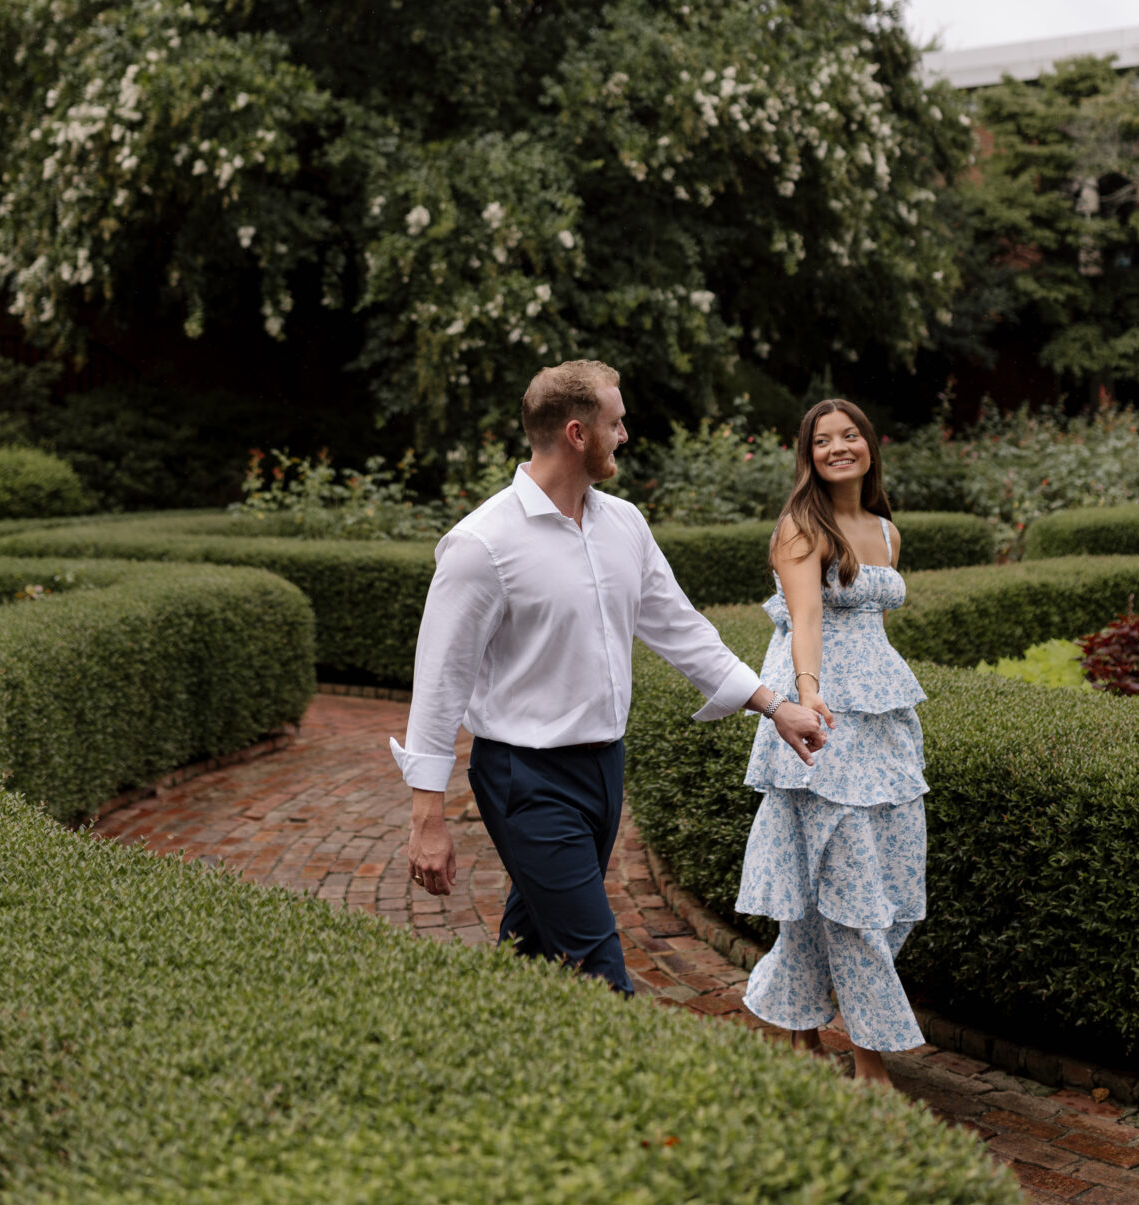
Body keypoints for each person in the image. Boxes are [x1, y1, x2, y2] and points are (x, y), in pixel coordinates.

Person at [392, 359, 828, 993]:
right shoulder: (480, 545)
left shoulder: (624, 523)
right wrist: (426, 817)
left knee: (536, 943)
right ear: (577, 433)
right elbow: (438, 683)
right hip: (525, 779)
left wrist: (774, 705)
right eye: (615, 423)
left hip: (604, 770)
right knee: (599, 967)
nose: (625, 435)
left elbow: (680, 629)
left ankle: (485, 1049)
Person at [736, 397, 928, 1083]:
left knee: (894, 886)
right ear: (807, 454)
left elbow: (870, 623)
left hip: (882, 717)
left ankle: (788, 1017)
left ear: (869, 445)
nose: (839, 447)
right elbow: (805, 616)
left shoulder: (883, 529)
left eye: (850, 435)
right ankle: (867, 1060)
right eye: (824, 440)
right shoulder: (800, 526)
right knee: (843, 890)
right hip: (819, 718)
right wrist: (807, 689)